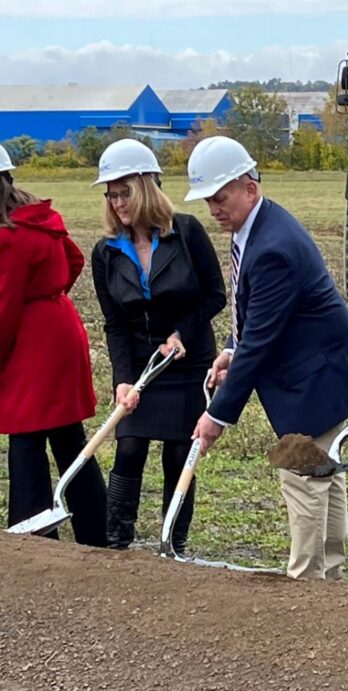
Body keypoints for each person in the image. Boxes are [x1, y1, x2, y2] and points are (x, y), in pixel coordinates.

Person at [185, 136, 348, 581]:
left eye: (220, 196)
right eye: (208, 199)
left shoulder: (271, 247)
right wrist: (230, 347)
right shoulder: (258, 229)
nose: (213, 208)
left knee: (304, 477)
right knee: (321, 470)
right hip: (320, 370)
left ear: (249, 187)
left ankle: (307, 584)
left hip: (315, 378)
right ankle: (328, 574)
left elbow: (261, 343)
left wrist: (217, 416)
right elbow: (253, 321)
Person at [91, 139, 226, 552]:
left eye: (124, 192)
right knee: (129, 448)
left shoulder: (186, 233)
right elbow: (115, 325)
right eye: (111, 195)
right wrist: (123, 380)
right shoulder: (106, 253)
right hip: (142, 367)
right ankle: (116, 543)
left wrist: (181, 333)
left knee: (177, 454)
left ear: (147, 186)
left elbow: (215, 295)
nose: (117, 203)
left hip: (189, 365)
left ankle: (173, 545)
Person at [0, 143, 107, 545]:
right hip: (63, 332)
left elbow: (4, 310)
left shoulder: (7, 236)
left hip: (33, 348)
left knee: (25, 439)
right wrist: (49, 293)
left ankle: (33, 542)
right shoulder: (41, 218)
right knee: (68, 437)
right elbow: (74, 260)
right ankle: (97, 532)